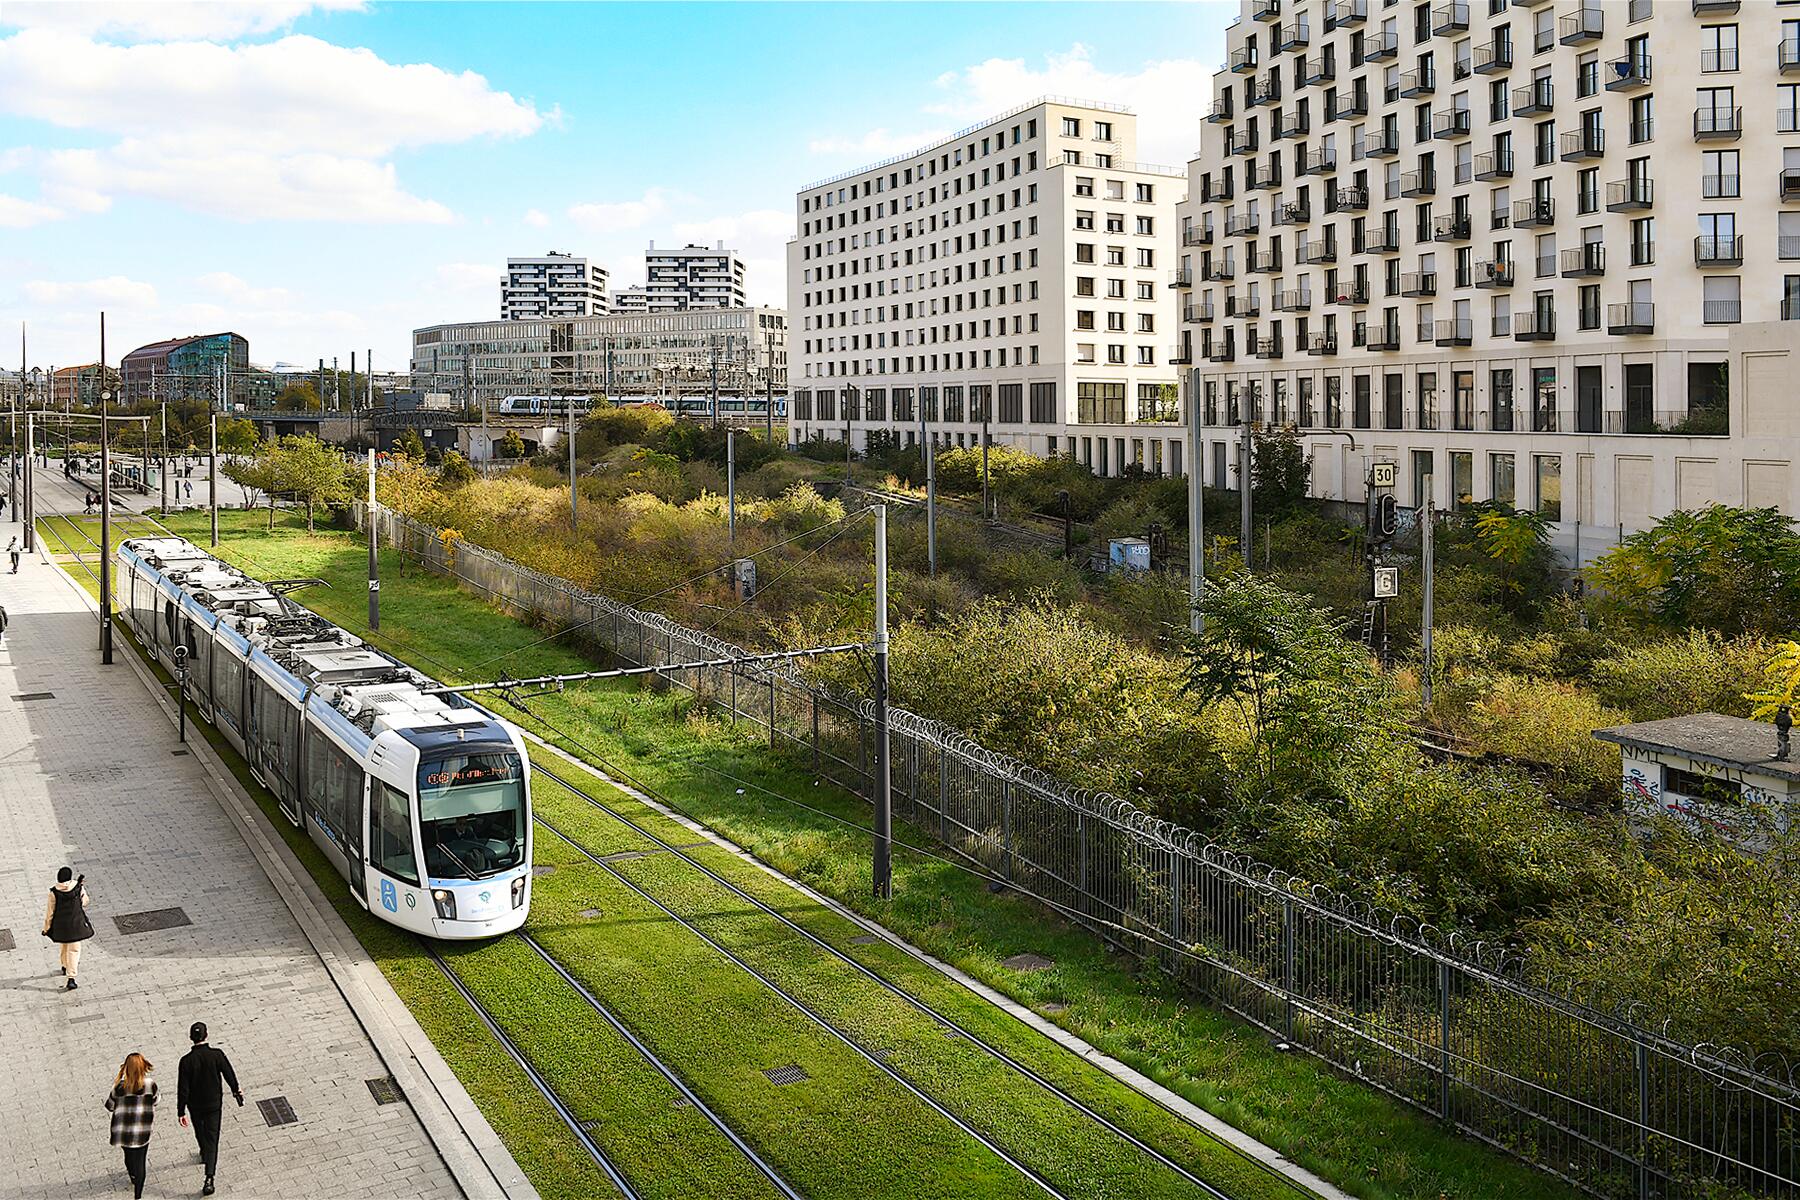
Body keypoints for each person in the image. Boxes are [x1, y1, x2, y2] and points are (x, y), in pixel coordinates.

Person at [178, 1021, 243, 1196]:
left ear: (191, 1038)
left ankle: (204, 1152)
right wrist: (236, 1090)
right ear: (206, 1035)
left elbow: (183, 1088)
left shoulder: (186, 1061)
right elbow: (229, 1073)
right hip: (214, 1104)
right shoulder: (217, 1055)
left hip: (195, 1105)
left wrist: (180, 1111)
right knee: (212, 1138)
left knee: (200, 1131)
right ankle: (209, 1177)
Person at [104, 1052, 158, 1200]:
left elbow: (109, 1105)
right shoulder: (150, 1085)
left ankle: (132, 1174)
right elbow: (156, 1100)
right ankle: (138, 1195)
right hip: (142, 1131)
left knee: (129, 1156)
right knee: (141, 1160)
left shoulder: (119, 1087)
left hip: (122, 1131)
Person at [41, 866, 94, 989]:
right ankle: (71, 978)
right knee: (74, 950)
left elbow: (50, 912)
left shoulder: (54, 892)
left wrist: (46, 928)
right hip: (75, 925)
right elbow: (85, 902)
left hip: (61, 925)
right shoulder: (78, 887)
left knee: (64, 945)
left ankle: (64, 965)